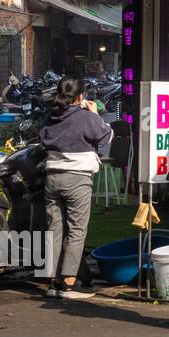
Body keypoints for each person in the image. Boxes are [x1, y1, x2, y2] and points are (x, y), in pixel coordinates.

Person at [39, 76, 113, 299]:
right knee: (77, 231)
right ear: (80, 96)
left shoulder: (50, 116)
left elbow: (42, 139)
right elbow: (106, 136)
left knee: (54, 230)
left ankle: (52, 281)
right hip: (77, 179)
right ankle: (69, 284)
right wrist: (95, 114)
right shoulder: (85, 118)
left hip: (52, 177)